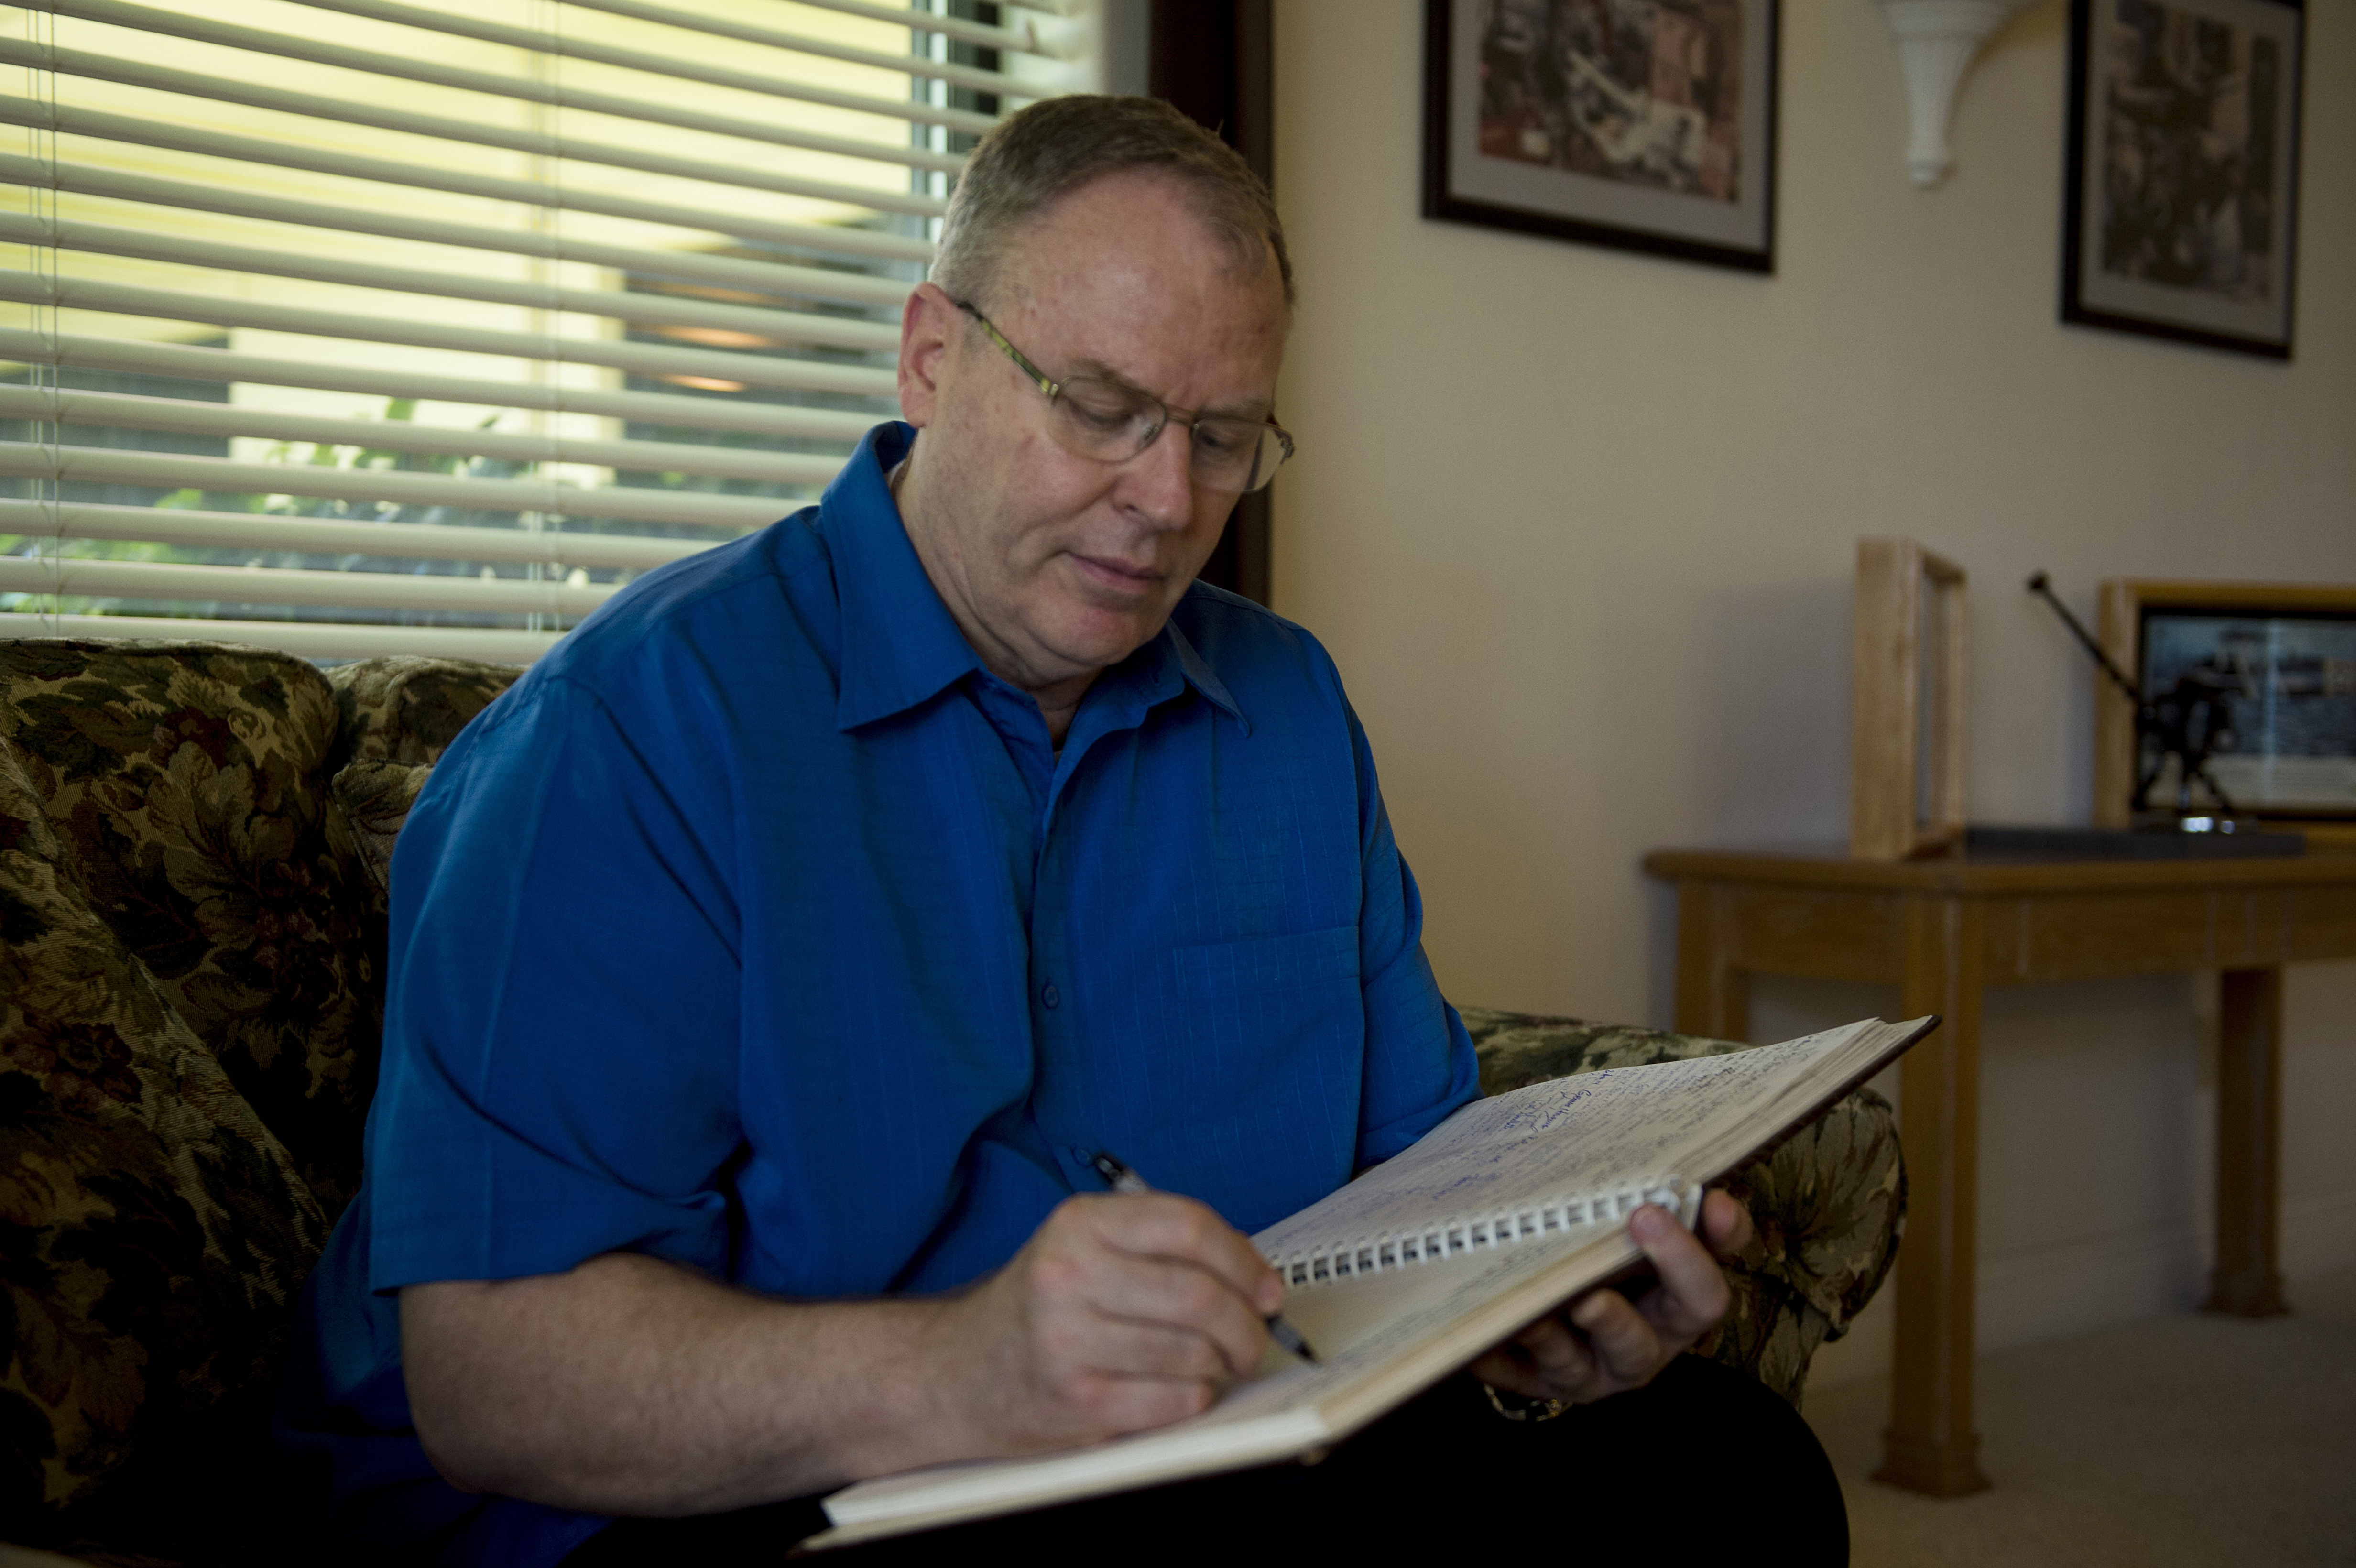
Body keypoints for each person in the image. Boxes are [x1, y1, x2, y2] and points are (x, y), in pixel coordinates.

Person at [278, 95, 1845, 1565]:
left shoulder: (1285, 707)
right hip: (731, 1494)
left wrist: (1542, 1322)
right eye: (1101, 407)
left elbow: (1410, 1190)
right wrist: (975, 1371)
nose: (1165, 498)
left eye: (1223, 437)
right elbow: (491, 1380)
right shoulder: (638, 725)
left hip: (1193, 1433)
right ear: (929, 358)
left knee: (1732, 1481)